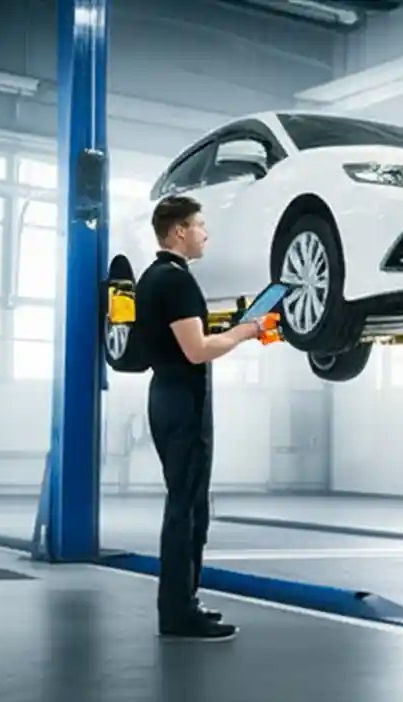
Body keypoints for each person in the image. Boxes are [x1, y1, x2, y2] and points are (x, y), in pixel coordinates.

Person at [135, 196, 263, 641]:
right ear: (179, 232)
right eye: (200, 225)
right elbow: (197, 349)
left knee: (188, 505)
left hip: (166, 395)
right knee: (186, 509)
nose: (206, 233)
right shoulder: (177, 282)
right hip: (184, 402)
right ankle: (177, 615)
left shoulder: (152, 279)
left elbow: (184, 338)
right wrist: (246, 332)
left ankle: (183, 605)